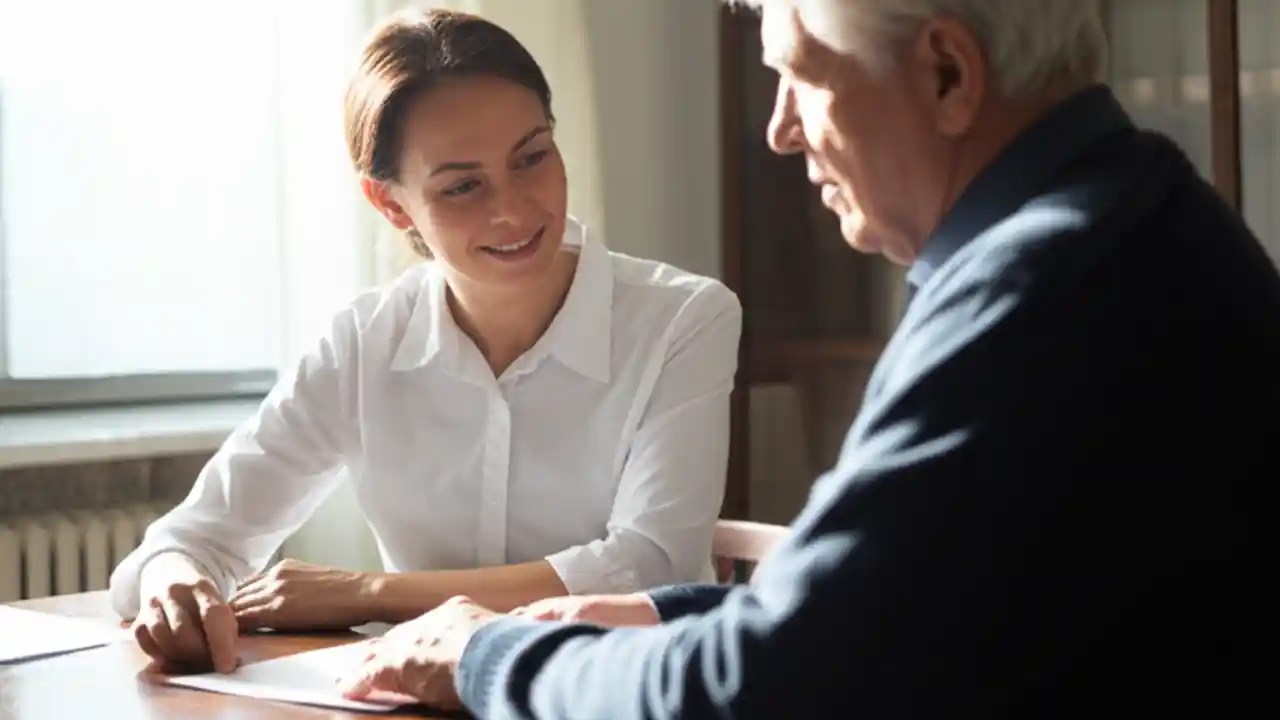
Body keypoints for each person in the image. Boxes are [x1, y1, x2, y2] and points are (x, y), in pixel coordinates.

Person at [334, 0, 1279, 716]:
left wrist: (486, 658)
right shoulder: (1126, 216)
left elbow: (775, 684)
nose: (781, 130)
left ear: (947, 74)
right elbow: (912, 604)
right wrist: (671, 613)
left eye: (801, 77)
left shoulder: (1037, 291)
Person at [107, 8, 741, 675]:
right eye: (463, 186)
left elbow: (650, 568)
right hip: (417, 698)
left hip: (614, 693)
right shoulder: (364, 342)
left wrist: (365, 593)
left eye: (532, 157)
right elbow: (184, 543)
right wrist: (176, 582)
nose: (514, 209)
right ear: (390, 204)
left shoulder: (683, 319)